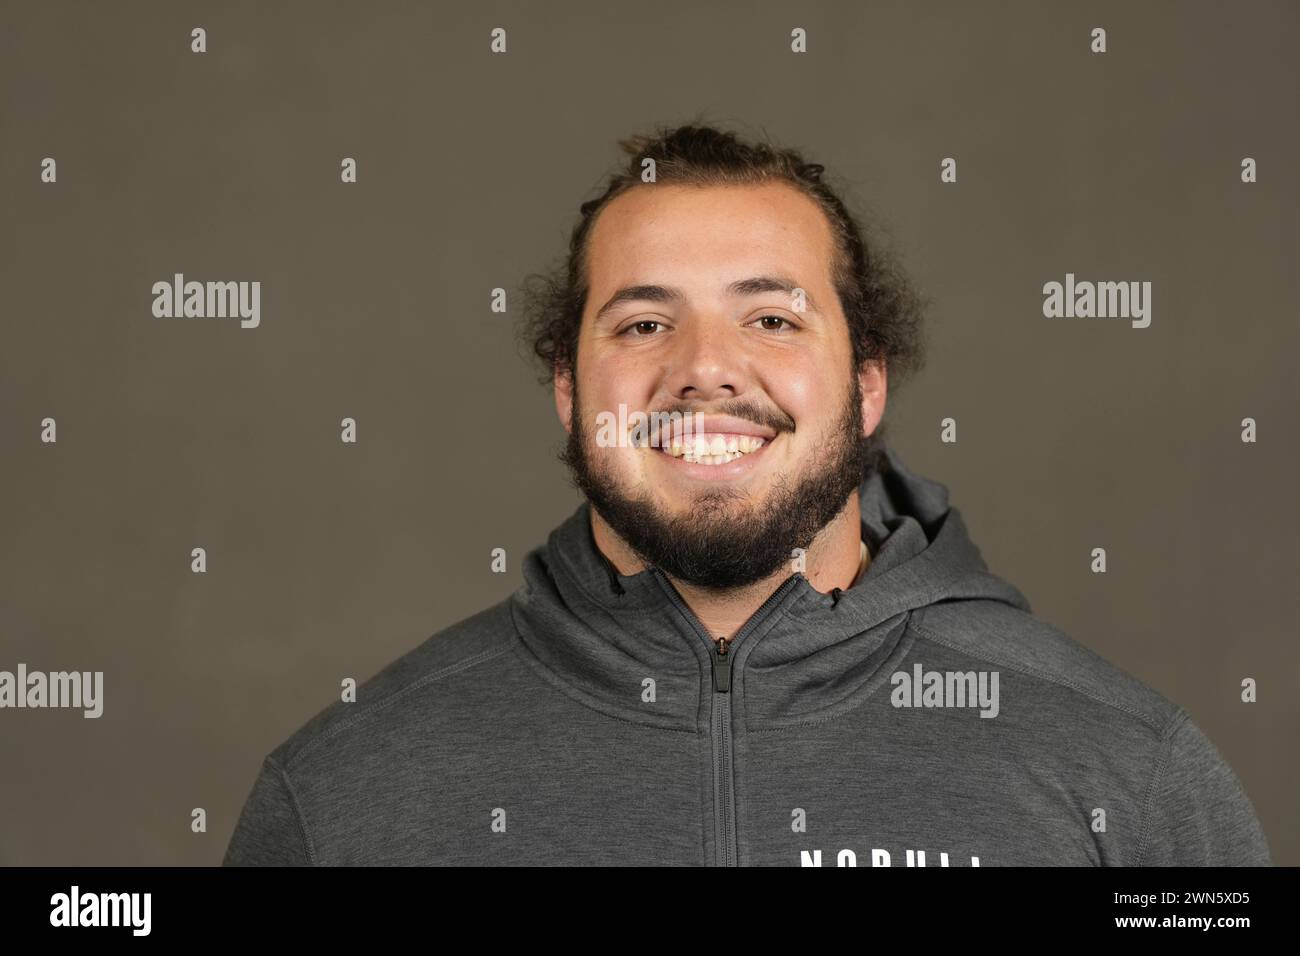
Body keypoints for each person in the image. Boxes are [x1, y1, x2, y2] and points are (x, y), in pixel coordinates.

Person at [224, 123, 1270, 866]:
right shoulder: (343, 790)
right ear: (566, 389)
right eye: (641, 323)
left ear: (866, 387)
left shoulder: (1127, 770)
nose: (704, 368)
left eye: (770, 319)